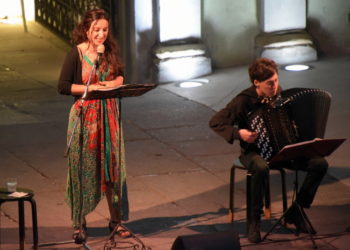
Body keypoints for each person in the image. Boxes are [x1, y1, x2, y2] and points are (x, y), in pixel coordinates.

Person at [209, 58, 328, 243]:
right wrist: (239, 133)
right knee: (261, 167)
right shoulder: (243, 101)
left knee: (320, 163)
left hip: (283, 152)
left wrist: (309, 140)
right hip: (253, 153)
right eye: (269, 83)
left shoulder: (279, 95)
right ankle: (254, 221)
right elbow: (215, 122)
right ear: (256, 82)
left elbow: (293, 123)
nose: (275, 86)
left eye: (276, 81)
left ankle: (297, 209)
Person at [58, 9, 129, 243]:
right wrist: (93, 89)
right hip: (85, 118)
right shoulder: (76, 53)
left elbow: (120, 76)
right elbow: (64, 86)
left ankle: (116, 221)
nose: (101, 34)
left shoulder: (109, 50)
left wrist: (113, 83)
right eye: (96, 30)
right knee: (84, 170)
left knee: (113, 169)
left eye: (105, 30)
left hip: (109, 116)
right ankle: (79, 223)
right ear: (86, 29)